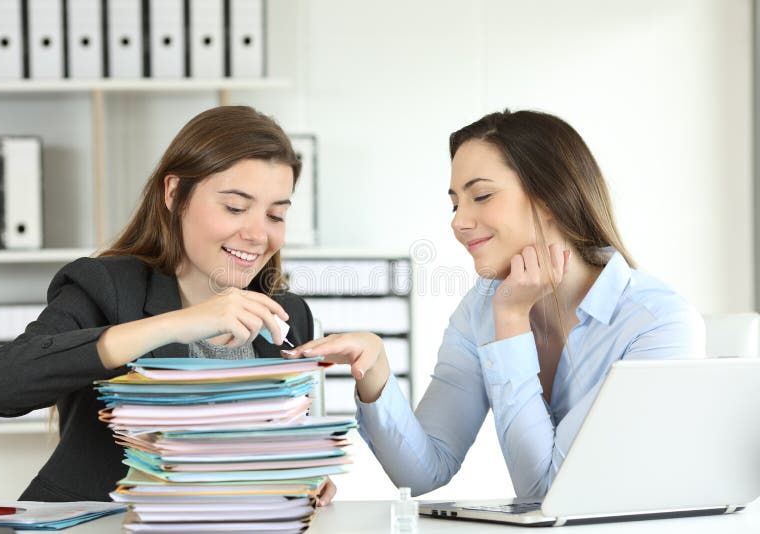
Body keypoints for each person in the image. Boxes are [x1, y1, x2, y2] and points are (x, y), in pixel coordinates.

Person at [284, 110, 705, 498]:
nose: (457, 221)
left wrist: (511, 319)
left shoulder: (656, 324)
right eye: (454, 203)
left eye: (480, 196)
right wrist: (374, 369)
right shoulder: (478, 309)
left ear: (550, 198)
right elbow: (423, 473)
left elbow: (546, 492)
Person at [0, 105, 337, 505]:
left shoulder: (286, 314)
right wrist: (175, 324)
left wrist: (297, 475)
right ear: (173, 193)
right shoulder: (107, 287)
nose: (256, 234)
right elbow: (0, 386)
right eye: (235, 208)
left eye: (275, 215)